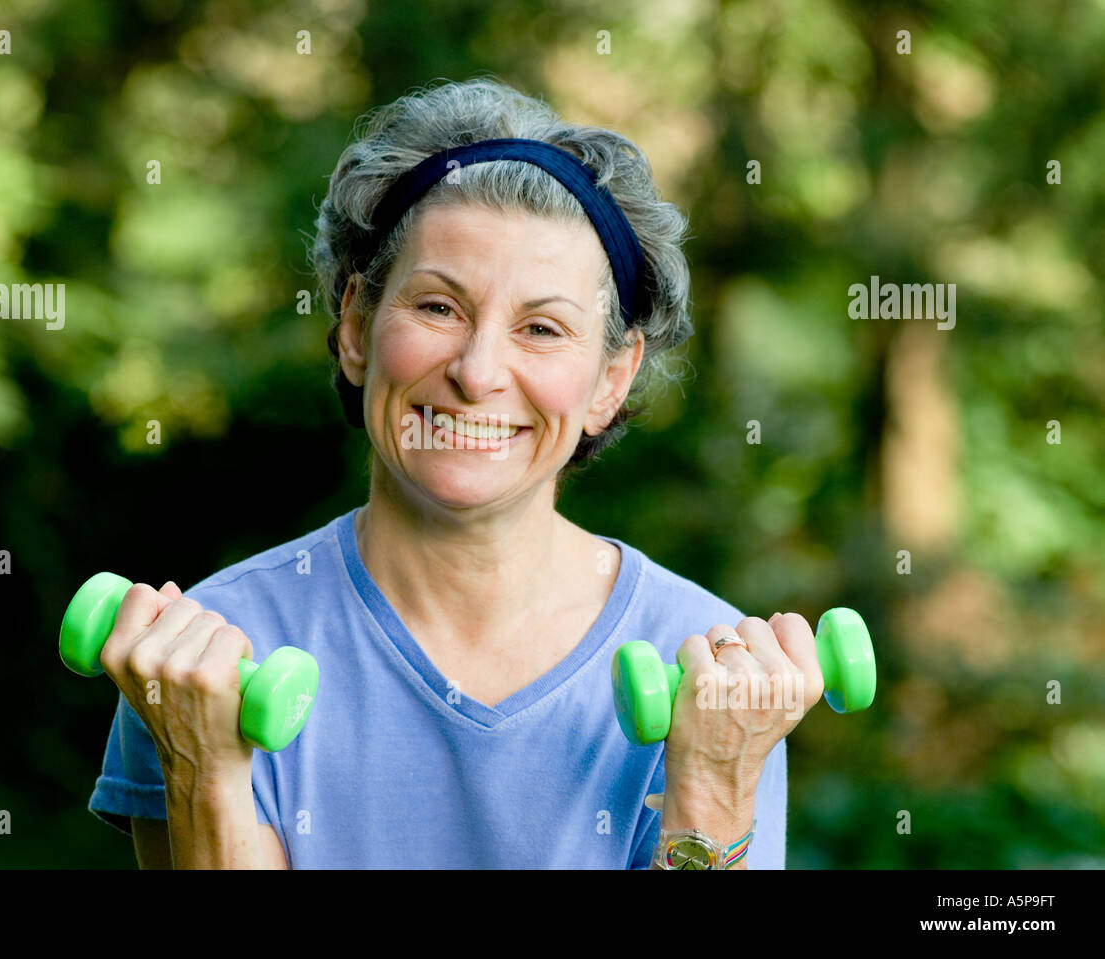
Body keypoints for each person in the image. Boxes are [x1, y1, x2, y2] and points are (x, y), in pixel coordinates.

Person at [88, 76, 825, 869]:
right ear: (357, 326)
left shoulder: (709, 674)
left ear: (611, 380)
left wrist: (710, 788)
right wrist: (208, 776)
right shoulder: (201, 662)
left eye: (541, 328)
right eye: (438, 307)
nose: (477, 373)